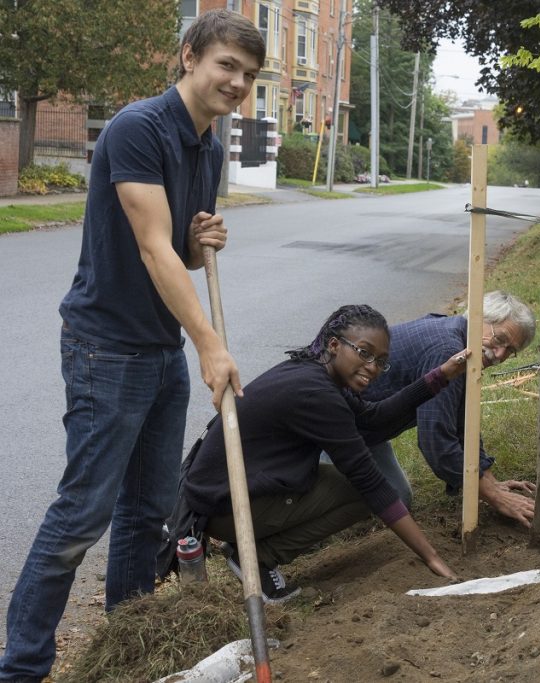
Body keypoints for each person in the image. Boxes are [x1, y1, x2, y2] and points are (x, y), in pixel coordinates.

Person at [0, 11, 264, 681]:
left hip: (157, 348)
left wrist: (203, 244)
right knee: (83, 512)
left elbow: (174, 247)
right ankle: (23, 665)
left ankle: (125, 646)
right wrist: (209, 344)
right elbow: (150, 248)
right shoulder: (137, 129)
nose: (237, 82)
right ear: (188, 57)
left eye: (249, 74)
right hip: (106, 348)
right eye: (226, 65)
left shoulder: (206, 144)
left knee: (147, 514)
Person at [181, 305, 466, 603]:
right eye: (365, 353)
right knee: (365, 491)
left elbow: (373, 417)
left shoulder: (316, 373)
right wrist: (432, 557)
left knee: (364, 487)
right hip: (229, 506)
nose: (372, 366)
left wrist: (439, 376)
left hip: (225, 492)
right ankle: (259, 558)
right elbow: (369, 481)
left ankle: (255, 549)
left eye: (381, 361)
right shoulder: (316, 394)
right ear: (334, 345)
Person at [361, 291, 538, 526]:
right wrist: (494, 496)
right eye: (500, 339)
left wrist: (486, 478)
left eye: (510, 351)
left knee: (397, 498)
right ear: (478, 318)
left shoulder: (460, 340)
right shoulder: (447, 351)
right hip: (329, 427)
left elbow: (461, 422)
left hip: (369, 430)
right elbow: (436, 439)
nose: (500, 355)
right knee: (382, 502)